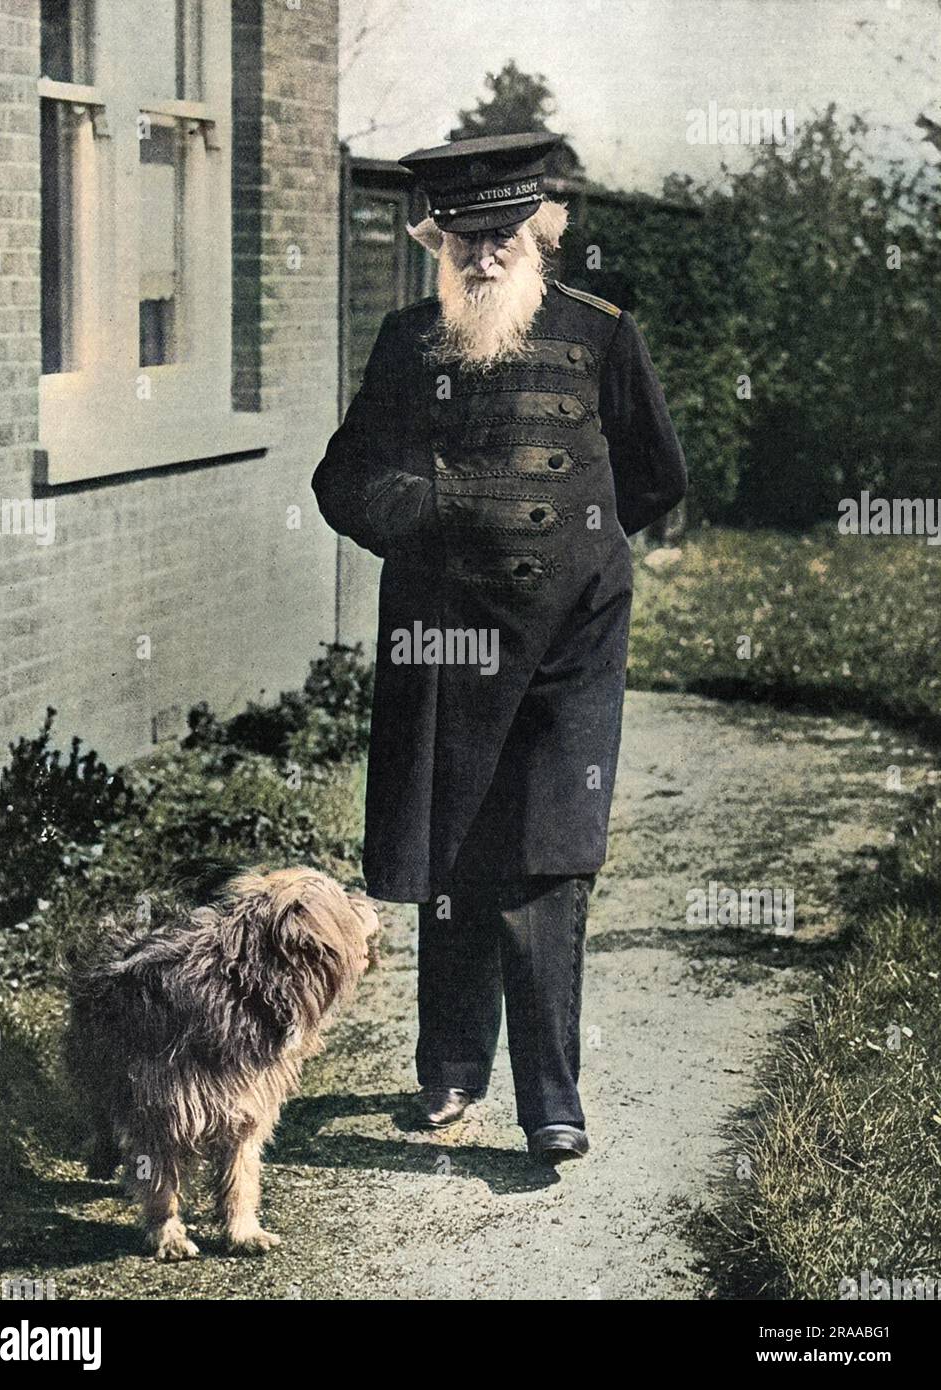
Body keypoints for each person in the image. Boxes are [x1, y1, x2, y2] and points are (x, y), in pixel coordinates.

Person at [312, 132, 687, 1163]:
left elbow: (654, 476)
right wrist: (428, 514)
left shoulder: (602, 335)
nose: (484, 259)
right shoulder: (406, 344)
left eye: (505, 239)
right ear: (438, 241)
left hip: (569, 644)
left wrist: (579, 554)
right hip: (445, 638)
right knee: (452, 850)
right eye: (466, 239)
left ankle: (551, 1100)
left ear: (541, 238)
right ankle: (449, 1070)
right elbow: (343, 480)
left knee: (548, 860)